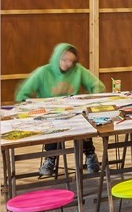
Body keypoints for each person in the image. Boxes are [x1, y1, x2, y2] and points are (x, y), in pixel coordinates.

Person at [16, 43, 104, 177]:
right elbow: (22, 95)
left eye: (71, 60)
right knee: (53, 126)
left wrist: (89, 99)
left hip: (73, 113)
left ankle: (90, 154)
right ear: (56, 58)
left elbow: (97, 85)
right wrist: (34, 106)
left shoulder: (78, 70)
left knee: (85, 123)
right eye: (64, 59)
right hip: (50, 115)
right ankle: (50, 158)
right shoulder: (43, 72)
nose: (68, 63)